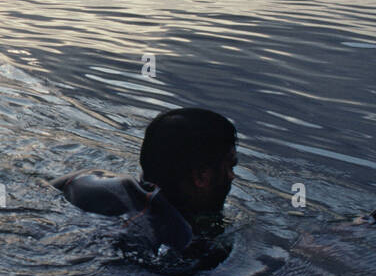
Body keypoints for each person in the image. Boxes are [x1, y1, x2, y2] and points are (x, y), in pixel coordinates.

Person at [52, 108, 237, 253]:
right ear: (201, 176)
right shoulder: (179, 236)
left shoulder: (84, 178)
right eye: (230, 167)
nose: (232, 176)